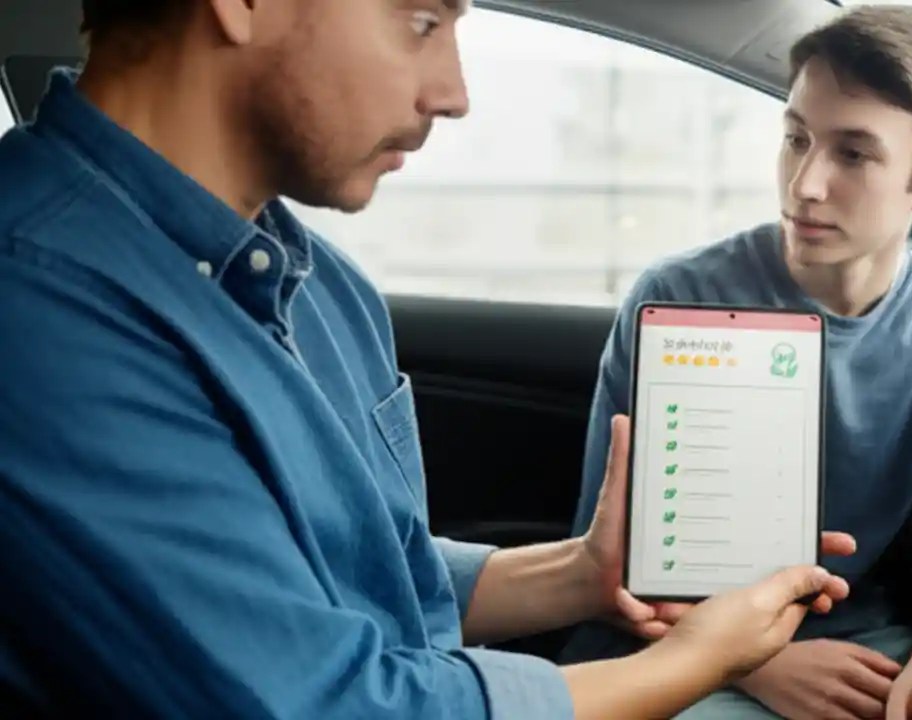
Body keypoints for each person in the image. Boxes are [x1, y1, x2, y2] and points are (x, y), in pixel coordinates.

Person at [0, 1, 859, 718]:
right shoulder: (38, 310)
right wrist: (694, 663)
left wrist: (576, 575)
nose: (454, 94)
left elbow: (354, 576)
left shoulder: (323, 285)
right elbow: (332, 705)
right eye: (419, 21)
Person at [565, 5, 912, 720]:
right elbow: (612, 560)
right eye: (795, 140)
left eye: (853, 154)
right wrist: (755, 661)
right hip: (679, 643)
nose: (805, 184)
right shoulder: (679, 298)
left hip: (880, 637)